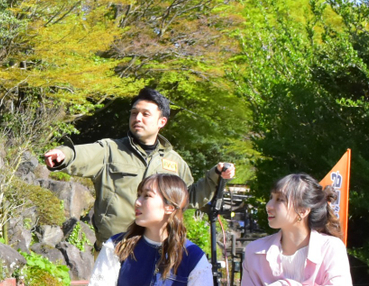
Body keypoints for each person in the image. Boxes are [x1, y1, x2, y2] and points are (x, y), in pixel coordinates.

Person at [43, 87, 236, 247]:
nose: (138, 118)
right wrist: (63, 155)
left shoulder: (174, 161)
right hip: (115, 248)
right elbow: (81, 154)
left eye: (145, 114)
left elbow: (190, 197)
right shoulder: (110, 150)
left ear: (162, 122)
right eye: (134, 113)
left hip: (159, 250)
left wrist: (214, 177)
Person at [83, 174, 213, 286]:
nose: (137, 202)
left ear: (169, 207)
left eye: (146, 196)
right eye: (138, 195)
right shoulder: (116, 246)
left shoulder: (193, 256)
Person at [239, 173, 353, 286]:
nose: (269, 206)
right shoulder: (255, 251)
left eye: (279, 199)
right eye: (271, 198)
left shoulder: (331, 248)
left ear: (303, 211)